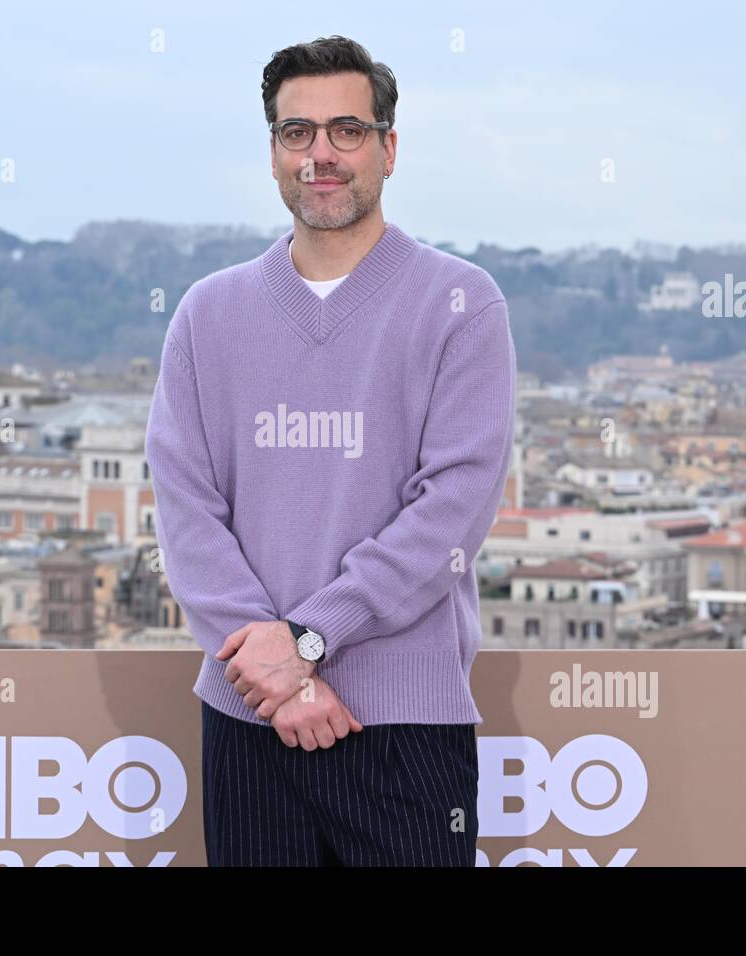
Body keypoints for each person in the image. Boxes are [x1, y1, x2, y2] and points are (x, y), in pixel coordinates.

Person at [144, 35, 517, 866]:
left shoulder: (461, 303)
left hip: (404, 730)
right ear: (273, 152)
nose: (320, 155)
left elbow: (452, 511)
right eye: (295, 133)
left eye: (346, 130)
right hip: (250, 723)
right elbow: (186, 508)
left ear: (388, 148)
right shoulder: (208, 313)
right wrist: (275, 677)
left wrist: (307, 642)